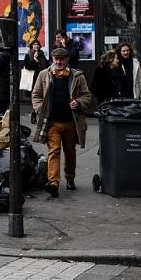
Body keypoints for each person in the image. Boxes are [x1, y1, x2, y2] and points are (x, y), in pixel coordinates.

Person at [31, 47, 94, 196]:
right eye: (56, 59)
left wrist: (78, 102)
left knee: (70, 152)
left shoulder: (77, 76)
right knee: (53, 151)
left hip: (71, 122)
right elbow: (36, 95)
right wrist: (41, 109)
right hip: (52, 122)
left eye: (61, 59)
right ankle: (53, 183)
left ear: (67, 60)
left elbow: (87, 96)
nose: (58, 62)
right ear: (52, 59)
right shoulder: (44, 75)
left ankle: (70, 178)